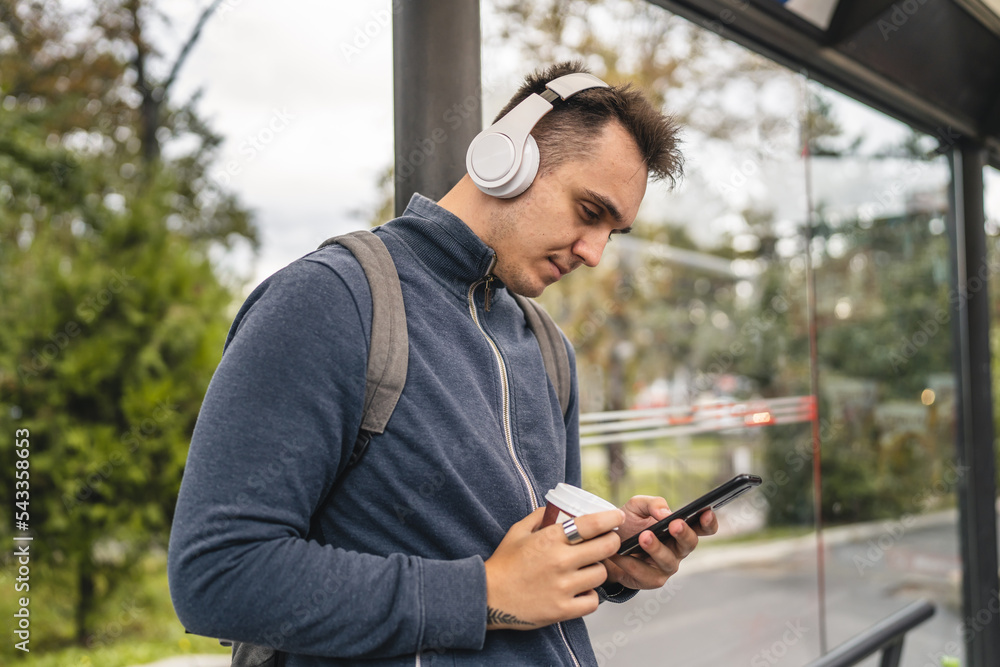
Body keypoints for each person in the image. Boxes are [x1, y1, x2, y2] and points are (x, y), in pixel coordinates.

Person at [167, 60, 718, 666]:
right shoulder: (329, 302)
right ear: (506, 158)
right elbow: (218, 574)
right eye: (590, 212)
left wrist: (605, 558)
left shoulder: (547, 347)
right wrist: (482, 593)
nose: (594, 253)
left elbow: (530, 566)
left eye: (614, 232)